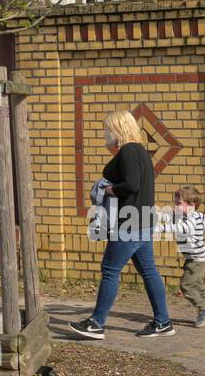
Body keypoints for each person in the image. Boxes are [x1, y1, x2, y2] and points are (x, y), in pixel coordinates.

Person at [67, 109, 174, 339]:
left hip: (130, 224)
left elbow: (133, 185)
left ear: (118, 129)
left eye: (108, 129)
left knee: (110, 270)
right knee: (149, 272)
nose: (105, 134)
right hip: (143, 220)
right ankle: (163, 322)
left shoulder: (127, 151)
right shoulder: (142, 152)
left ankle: (96, 324)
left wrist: (110, 189)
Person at [166, 185, 205, 327]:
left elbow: (179, 228)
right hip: (198, 259)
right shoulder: (193, 216)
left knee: (186, 285)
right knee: (198, 287)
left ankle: (204, 310)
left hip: (196, 260)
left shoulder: (191, 220)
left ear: (191, 205)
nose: (175, 205)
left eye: (178, 203)